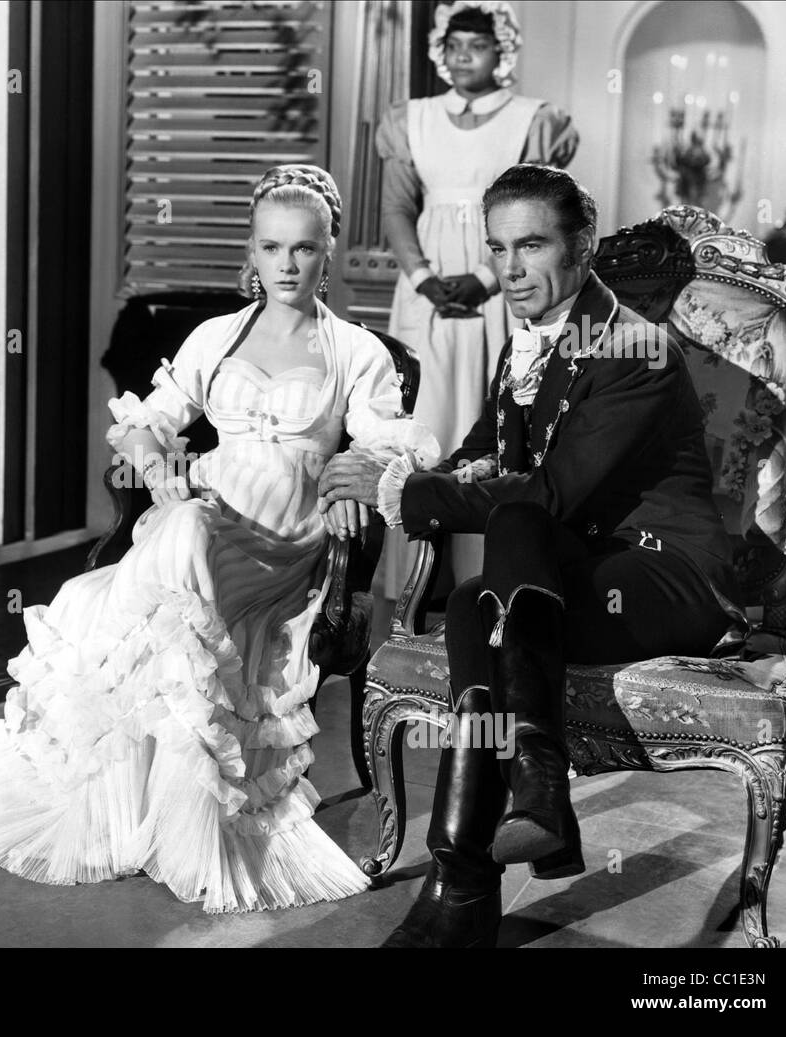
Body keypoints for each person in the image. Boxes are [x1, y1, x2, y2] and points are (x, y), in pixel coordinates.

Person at [0, 165, 439, 913]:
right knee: (166, 542)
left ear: (329, 252)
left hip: (283, 538)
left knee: (166, 550)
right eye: (271, 247)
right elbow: (148, 417)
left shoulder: (358, 351)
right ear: (251, 254)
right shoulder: (216, 337)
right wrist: (156, 455)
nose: (287, 264)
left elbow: (387, 442)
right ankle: (128, 808)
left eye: (304, 249)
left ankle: (180, 807)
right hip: (207, 515)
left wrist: (352, 474)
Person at [318, 164, 745, 946]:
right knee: (483, 598)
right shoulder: (526, 343)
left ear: (582, 247)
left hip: (664, 574)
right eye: (498, 247)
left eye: (532, 245)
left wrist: (400, 490)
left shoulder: (634, 349)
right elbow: (484, 453)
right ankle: (517, 812)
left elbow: (546, 496)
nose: (510, 269)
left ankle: (471, 874)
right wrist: (409, 472)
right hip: (560, 576)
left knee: (515, 533)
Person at [378, 0, 578, 600]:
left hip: (500, 286)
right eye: (454, 44)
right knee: (425, 419)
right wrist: (421, 278)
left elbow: (541, 219)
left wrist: (489, 279)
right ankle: (417, 589)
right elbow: (396, 207)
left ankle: (489, 589)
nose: (462, 56)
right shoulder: (410, 118)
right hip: (426, 294)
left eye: (478, 45)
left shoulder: (532, 119)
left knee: (492, 426)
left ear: (504, 52)